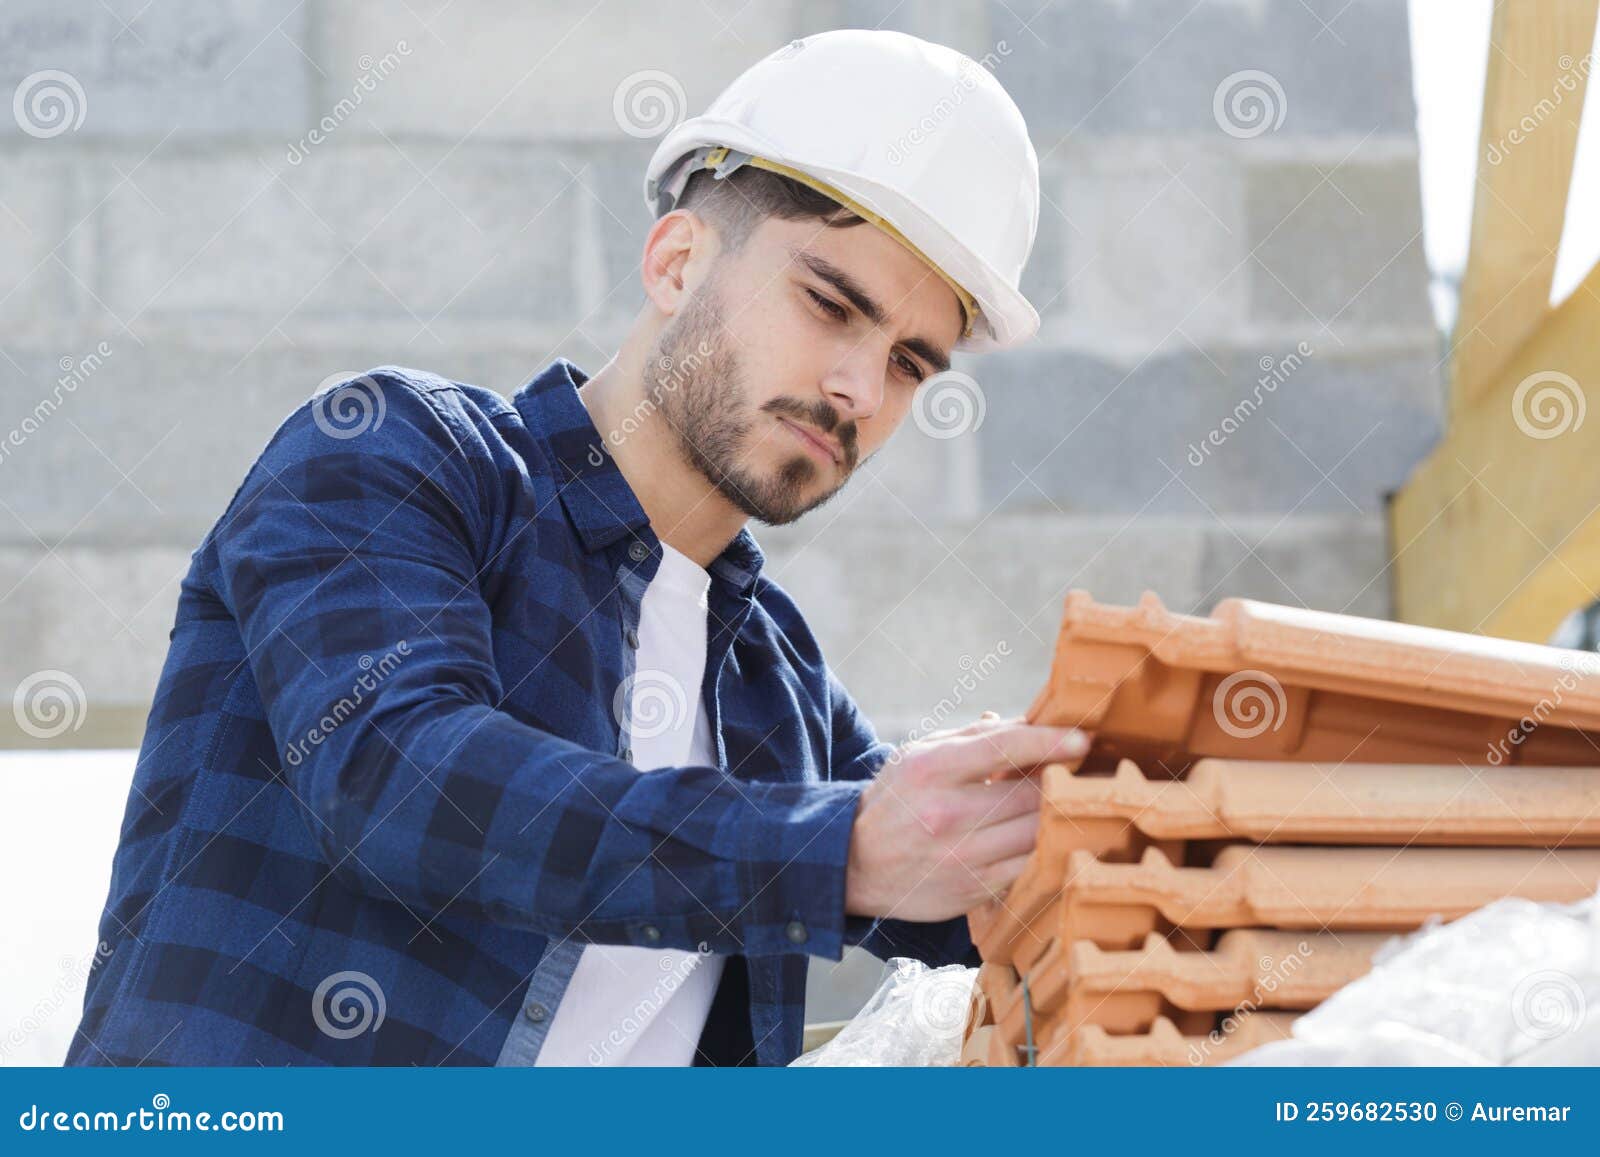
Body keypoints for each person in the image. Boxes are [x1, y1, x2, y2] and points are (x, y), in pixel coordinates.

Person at [67, 28, 1082, 1068]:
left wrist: (1164, 850)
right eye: (830, 305)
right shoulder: (395, 454)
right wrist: (841, 850)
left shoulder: (774, 682)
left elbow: (964, 890)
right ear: (677, 262)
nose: (859, 390)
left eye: (910, 362)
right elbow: (400, 779)